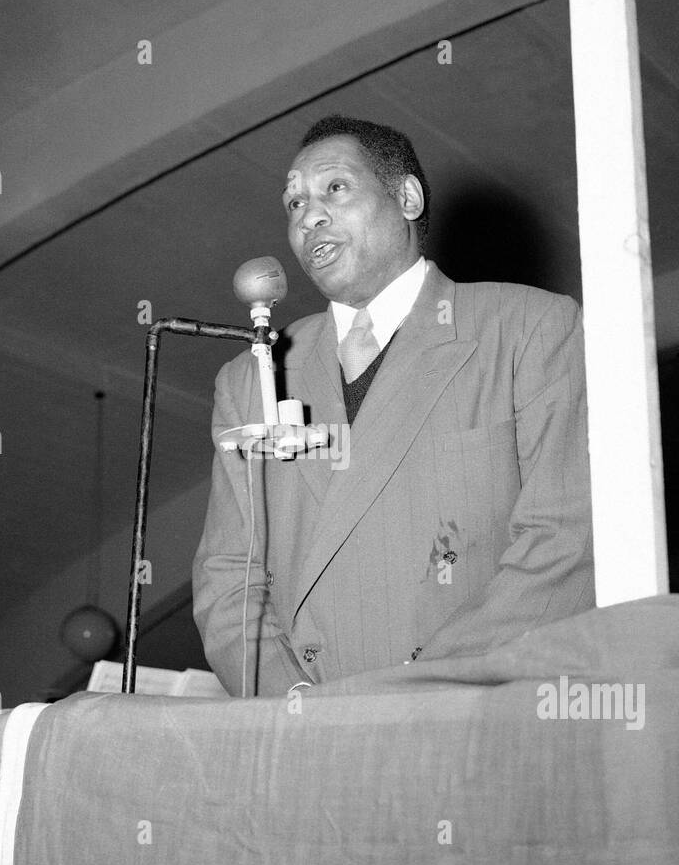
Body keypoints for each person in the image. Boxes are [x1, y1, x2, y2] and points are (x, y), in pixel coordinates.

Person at [193, 114, 595, 696]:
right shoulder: (248, 381)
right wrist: (295, 707)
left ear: (407, 197)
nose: (309, 215)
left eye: (335, 188)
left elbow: (567, 541)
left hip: (477, 717)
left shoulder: (533, 328)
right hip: (313, 739)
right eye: (293, 202)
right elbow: (230, 579)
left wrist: (421, 695)